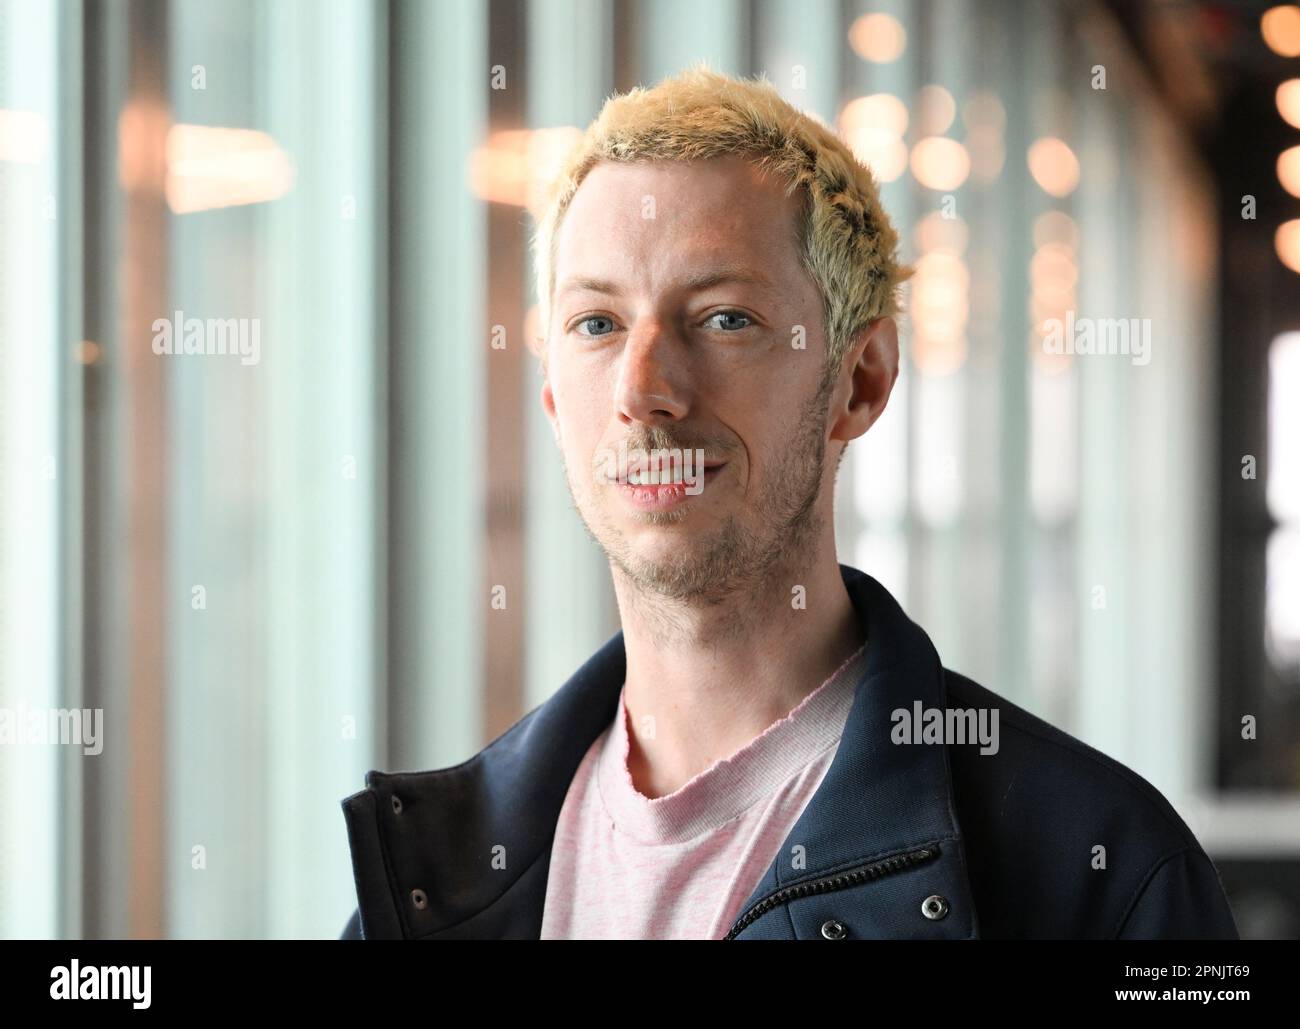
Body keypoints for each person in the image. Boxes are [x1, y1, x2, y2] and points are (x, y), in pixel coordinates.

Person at [338, 66, 1239, 940]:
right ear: (550, 396)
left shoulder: (1101, 876)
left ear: (862, 379)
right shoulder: (428, 883)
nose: (643, 387)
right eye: (598, 324)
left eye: (725, 317)